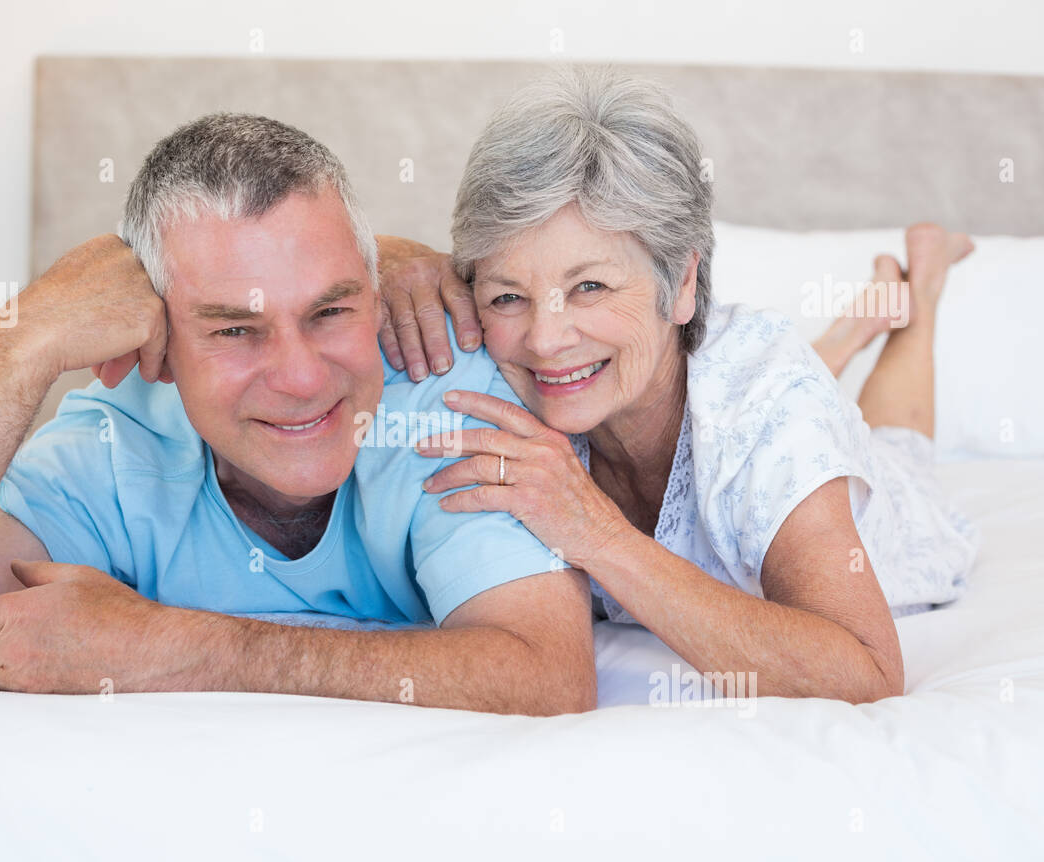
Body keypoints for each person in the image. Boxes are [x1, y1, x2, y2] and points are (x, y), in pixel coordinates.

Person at [0, 113, 593, 715]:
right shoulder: (111, 443)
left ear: (374, 291)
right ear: (159, 345)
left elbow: (550, 675)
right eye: (236, 330)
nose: (303, 377)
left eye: (330, 311)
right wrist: (17, 345)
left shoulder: (441, 389)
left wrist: (169, 647)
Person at [376, 68, 979, 704]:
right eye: (508, 295)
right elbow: (362, 275)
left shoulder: (770, 405)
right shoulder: (501, 351)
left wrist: (598, 534)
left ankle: (924, 286)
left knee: (896, 448)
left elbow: (867, 673)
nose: (545, 340)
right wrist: (391, 256)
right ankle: (846, 337)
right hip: (722, 377)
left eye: (591, 287)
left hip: (860, 478)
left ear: (683, 283)